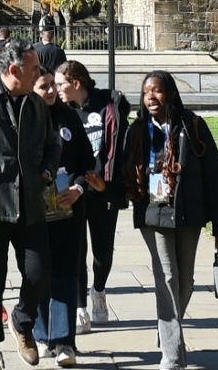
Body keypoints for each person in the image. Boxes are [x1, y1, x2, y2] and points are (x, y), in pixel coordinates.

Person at [116, 70, 218, 370]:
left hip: (188, 214)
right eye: (146, 93)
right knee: (167, 279)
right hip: (152, 213)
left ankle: (167, 328)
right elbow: (122, 171)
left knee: (186, 282)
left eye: (156, 91)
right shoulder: (138, 130)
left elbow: (214, 176)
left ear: (169, 93)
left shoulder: (191, 125)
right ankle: (172, 356)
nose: (151, 97)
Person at [0, 38, 60, 370]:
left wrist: (47, 171)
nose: (39, 74)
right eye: (34, 69)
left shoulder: (35, 103)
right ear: (15, 70)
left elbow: (52, 145)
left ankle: (22, 322)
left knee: (39, 273)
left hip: (30, 204)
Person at [55, 59, 131, 329]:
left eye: (61, 83)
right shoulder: (62, 111)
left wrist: (109, 185)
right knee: (76, 251)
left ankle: (98, 290)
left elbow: (119, 147)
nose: (57, 89)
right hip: (73, 190)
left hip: (102, 188)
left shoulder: (108, 105)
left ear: (77, 83)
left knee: (102, 252)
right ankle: (79, 306)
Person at [31, 66, 94, 368]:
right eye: (44, 87)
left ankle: (65, 341)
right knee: (39, 273)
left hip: (69, 209)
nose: (52, 91)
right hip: (34, 212)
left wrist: (79, 188)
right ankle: (42, 335)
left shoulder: (69, 117)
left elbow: (87, 161)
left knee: (67, 273)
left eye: (53, 86)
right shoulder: (23, 120)